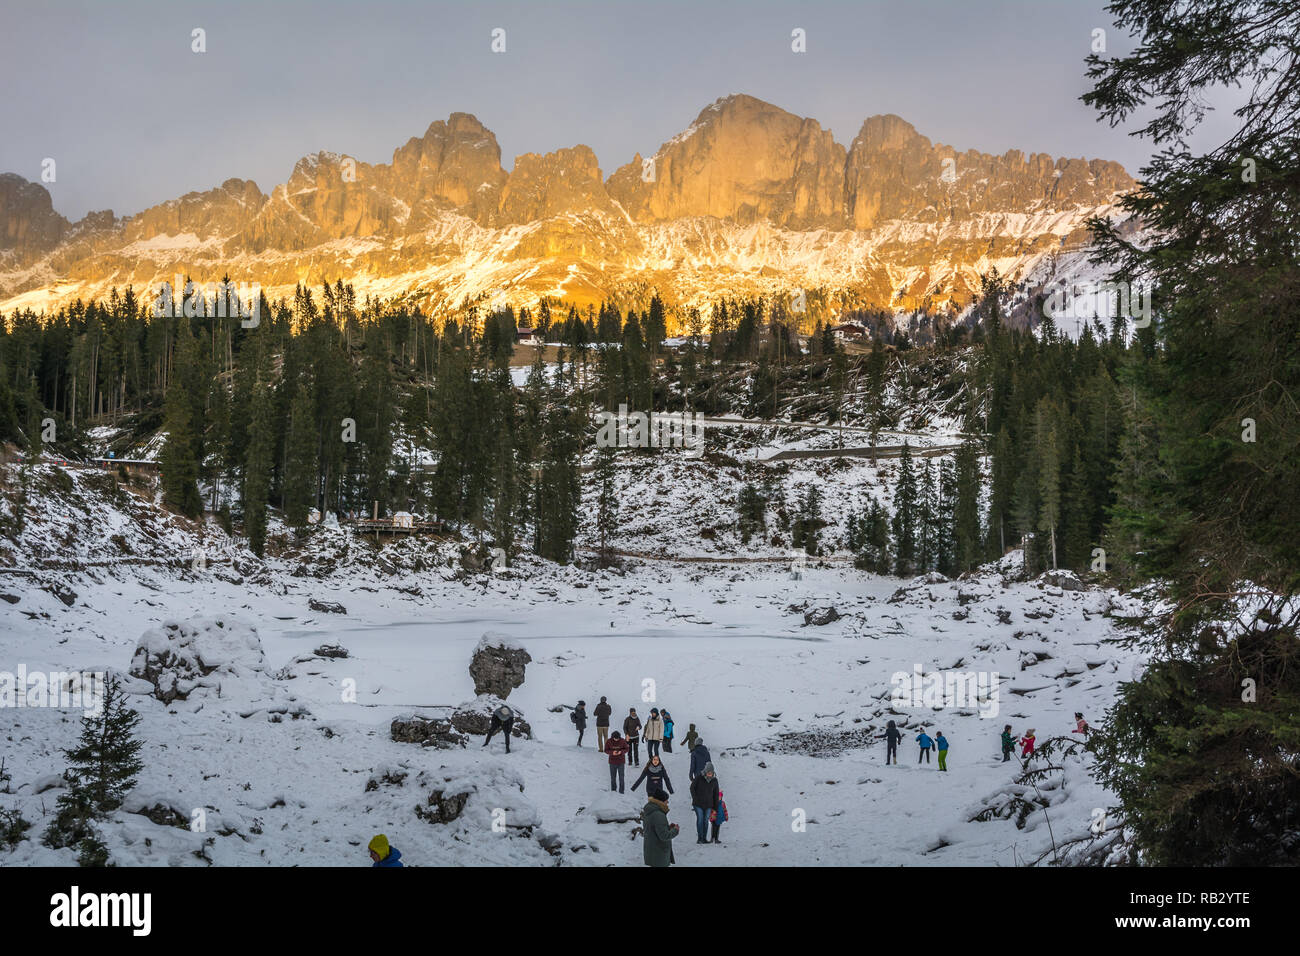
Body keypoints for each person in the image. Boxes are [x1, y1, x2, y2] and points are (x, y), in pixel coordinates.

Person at [641, 791, 679, 867]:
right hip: (659, 853)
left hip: (652, 851)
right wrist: (675, 830)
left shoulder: (650, 811)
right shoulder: (658, 815)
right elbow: (664, 836)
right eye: (666, 800)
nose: (667, 802)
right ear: (660, 801)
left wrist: (668, 828)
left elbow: (654, 829)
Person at [690, 763, 720, 844]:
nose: (710, 774)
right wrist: (695, 798)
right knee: (700, 819)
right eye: (708, 772)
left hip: (708, 804)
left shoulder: (714, 780)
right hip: (698, 804)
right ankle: (700, 838)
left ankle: (704, 838)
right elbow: (692, 788)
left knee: (705, 821)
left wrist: (715, 807)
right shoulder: (699, 778)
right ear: (705, 771)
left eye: (711, 773)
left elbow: (716, 794)